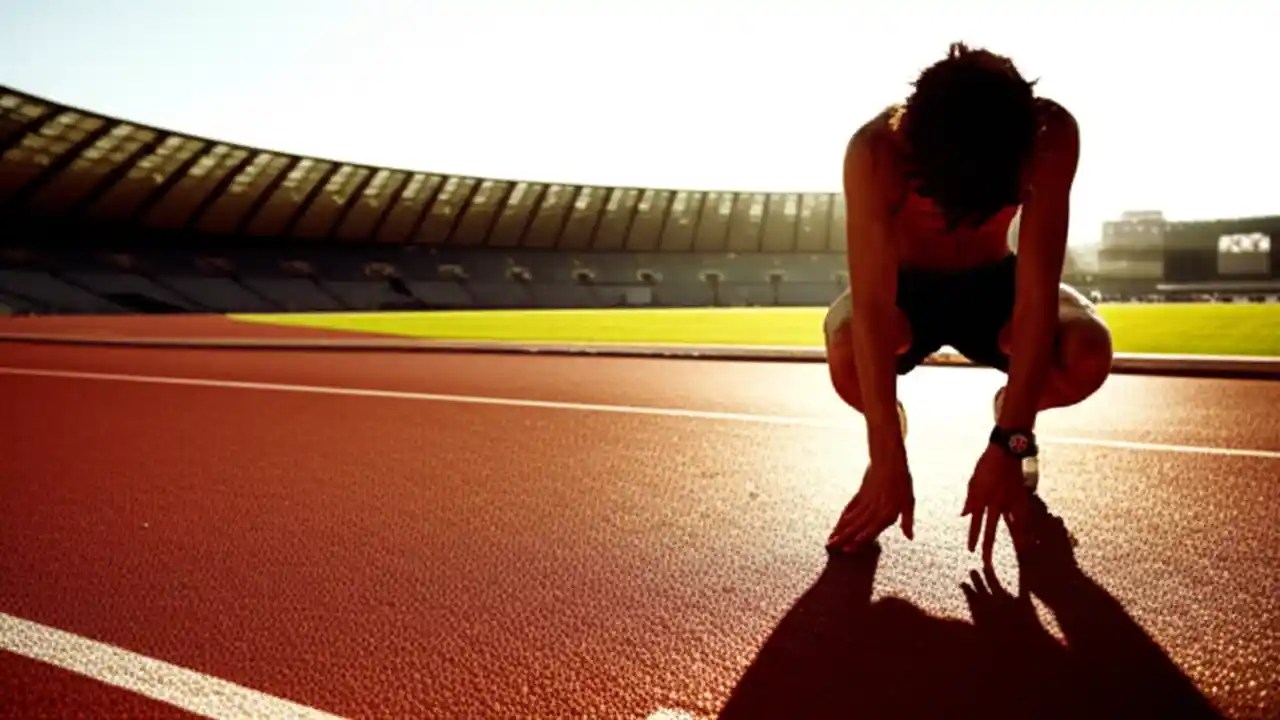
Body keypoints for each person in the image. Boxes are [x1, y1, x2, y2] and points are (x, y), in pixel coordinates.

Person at [824, 43, 1113, 563]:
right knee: (847, 351)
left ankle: (1012, 405)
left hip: (994, 284)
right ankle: (888, 417)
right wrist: (884, 454)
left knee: (1087, 349)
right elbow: (869, 309)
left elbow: (1036, 296)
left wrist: (1012, 438)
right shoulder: (876, 153)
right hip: (905, 289)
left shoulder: (1048, 138)